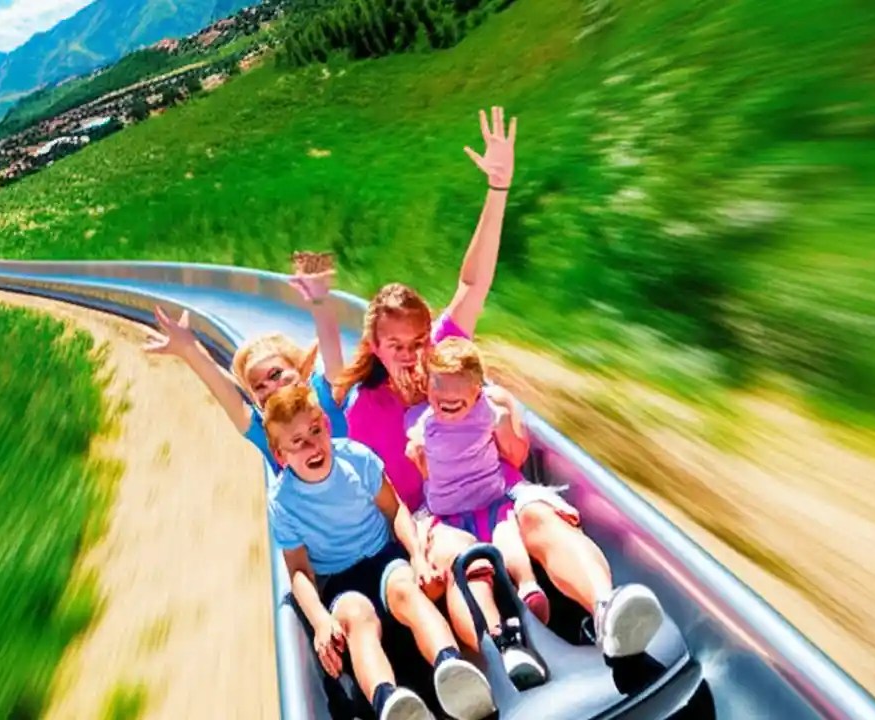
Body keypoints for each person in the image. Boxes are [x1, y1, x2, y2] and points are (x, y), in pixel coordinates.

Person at [335, 106, 665, 659]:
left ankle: (608, 608)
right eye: (397, 347)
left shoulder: (444, 353)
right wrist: (418, 547)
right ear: (374, 348)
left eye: (419, 341)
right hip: (437, 514)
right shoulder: (364, 410)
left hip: (500, 489)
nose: (414, 356)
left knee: (542, 520)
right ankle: (499, 655)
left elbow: (473, 279)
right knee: (469, 564)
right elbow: (390, 497)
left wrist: (498, 188)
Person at [263, 385, 497, 720]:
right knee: (357, 617)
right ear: (280, 455)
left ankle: (451, 667)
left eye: (315, 431)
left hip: (382, 557)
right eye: (297, 442)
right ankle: (390, 701)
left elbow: (395, 510)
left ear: (326, 426)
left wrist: (416, 554)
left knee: (406, 590)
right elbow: (299, 569)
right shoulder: (284, 501)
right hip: (340, 578)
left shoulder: (355, 459)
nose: (312, 446)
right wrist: (319, 621)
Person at [142, 253, 347, 474]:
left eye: (276, 374)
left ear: (300, 371)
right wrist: (188, 349)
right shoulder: (264, 430)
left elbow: (332, 354)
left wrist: (320, 299)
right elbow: (225, 391)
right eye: (259, 387)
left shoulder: (324, 394)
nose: (270, 387)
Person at [405, 337, 552, 628]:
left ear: (476, 391)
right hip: (447, 515)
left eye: (456, 392)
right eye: (438, 388)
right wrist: (418, 453)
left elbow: (514, 451)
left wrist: (505, 425)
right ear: (427, 387)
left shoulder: (488, 412)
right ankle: (495, 633)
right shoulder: (426, 424)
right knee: (470, 563)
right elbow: (422, 463)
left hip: (491, 501)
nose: (446, 399)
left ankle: (528, 588)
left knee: (507, 538)